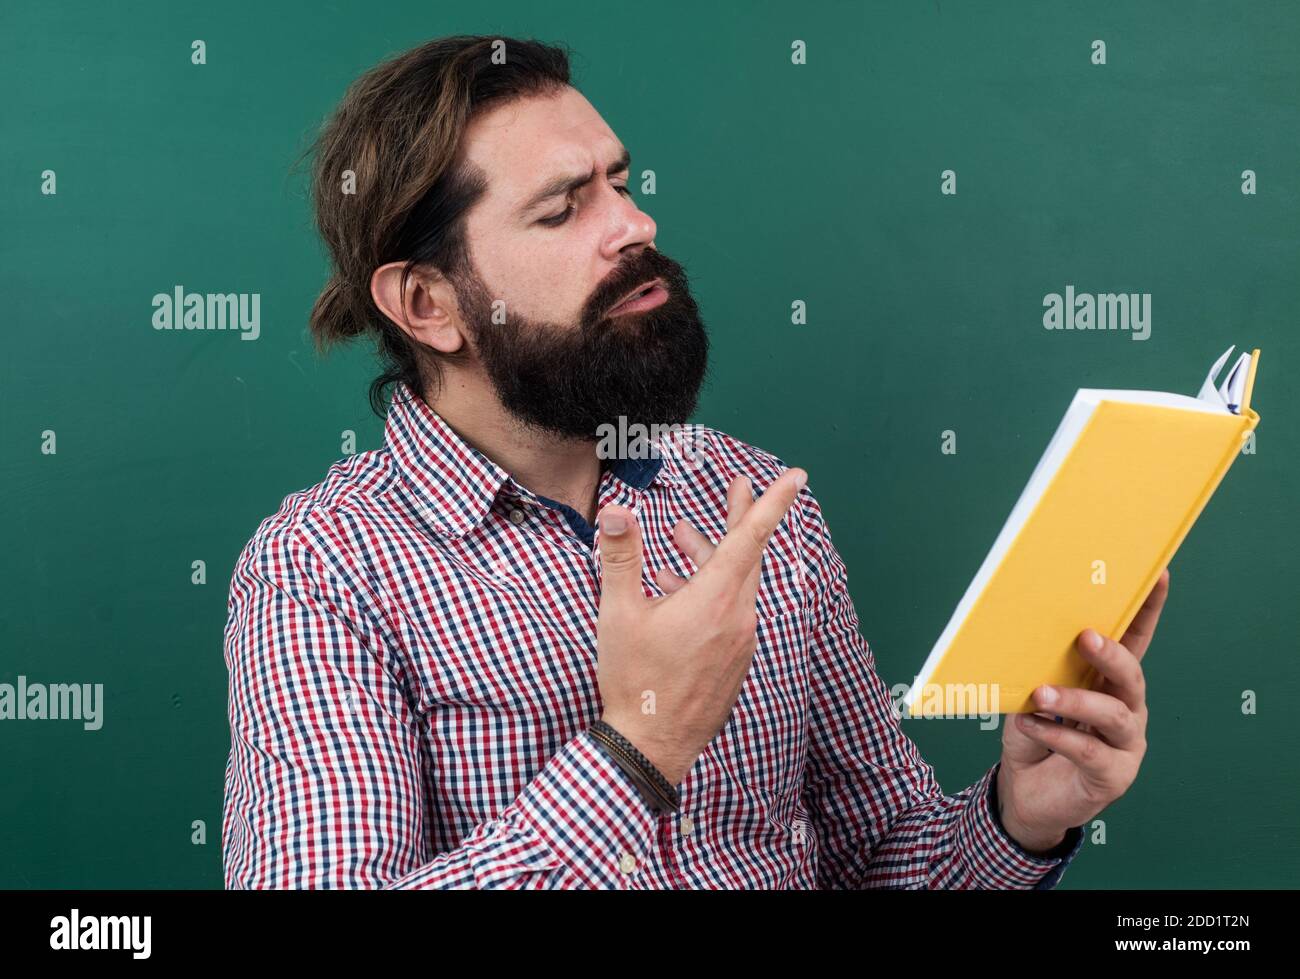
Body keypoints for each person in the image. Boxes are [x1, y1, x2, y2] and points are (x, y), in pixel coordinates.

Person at [222, 34, 1165, 889]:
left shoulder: (753, 499)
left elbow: (880, 853)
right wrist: (638, 746)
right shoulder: (322, 568)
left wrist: (1017, 819)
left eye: (620, 182)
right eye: (562, 209)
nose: (633, 227)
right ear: (428, 304)